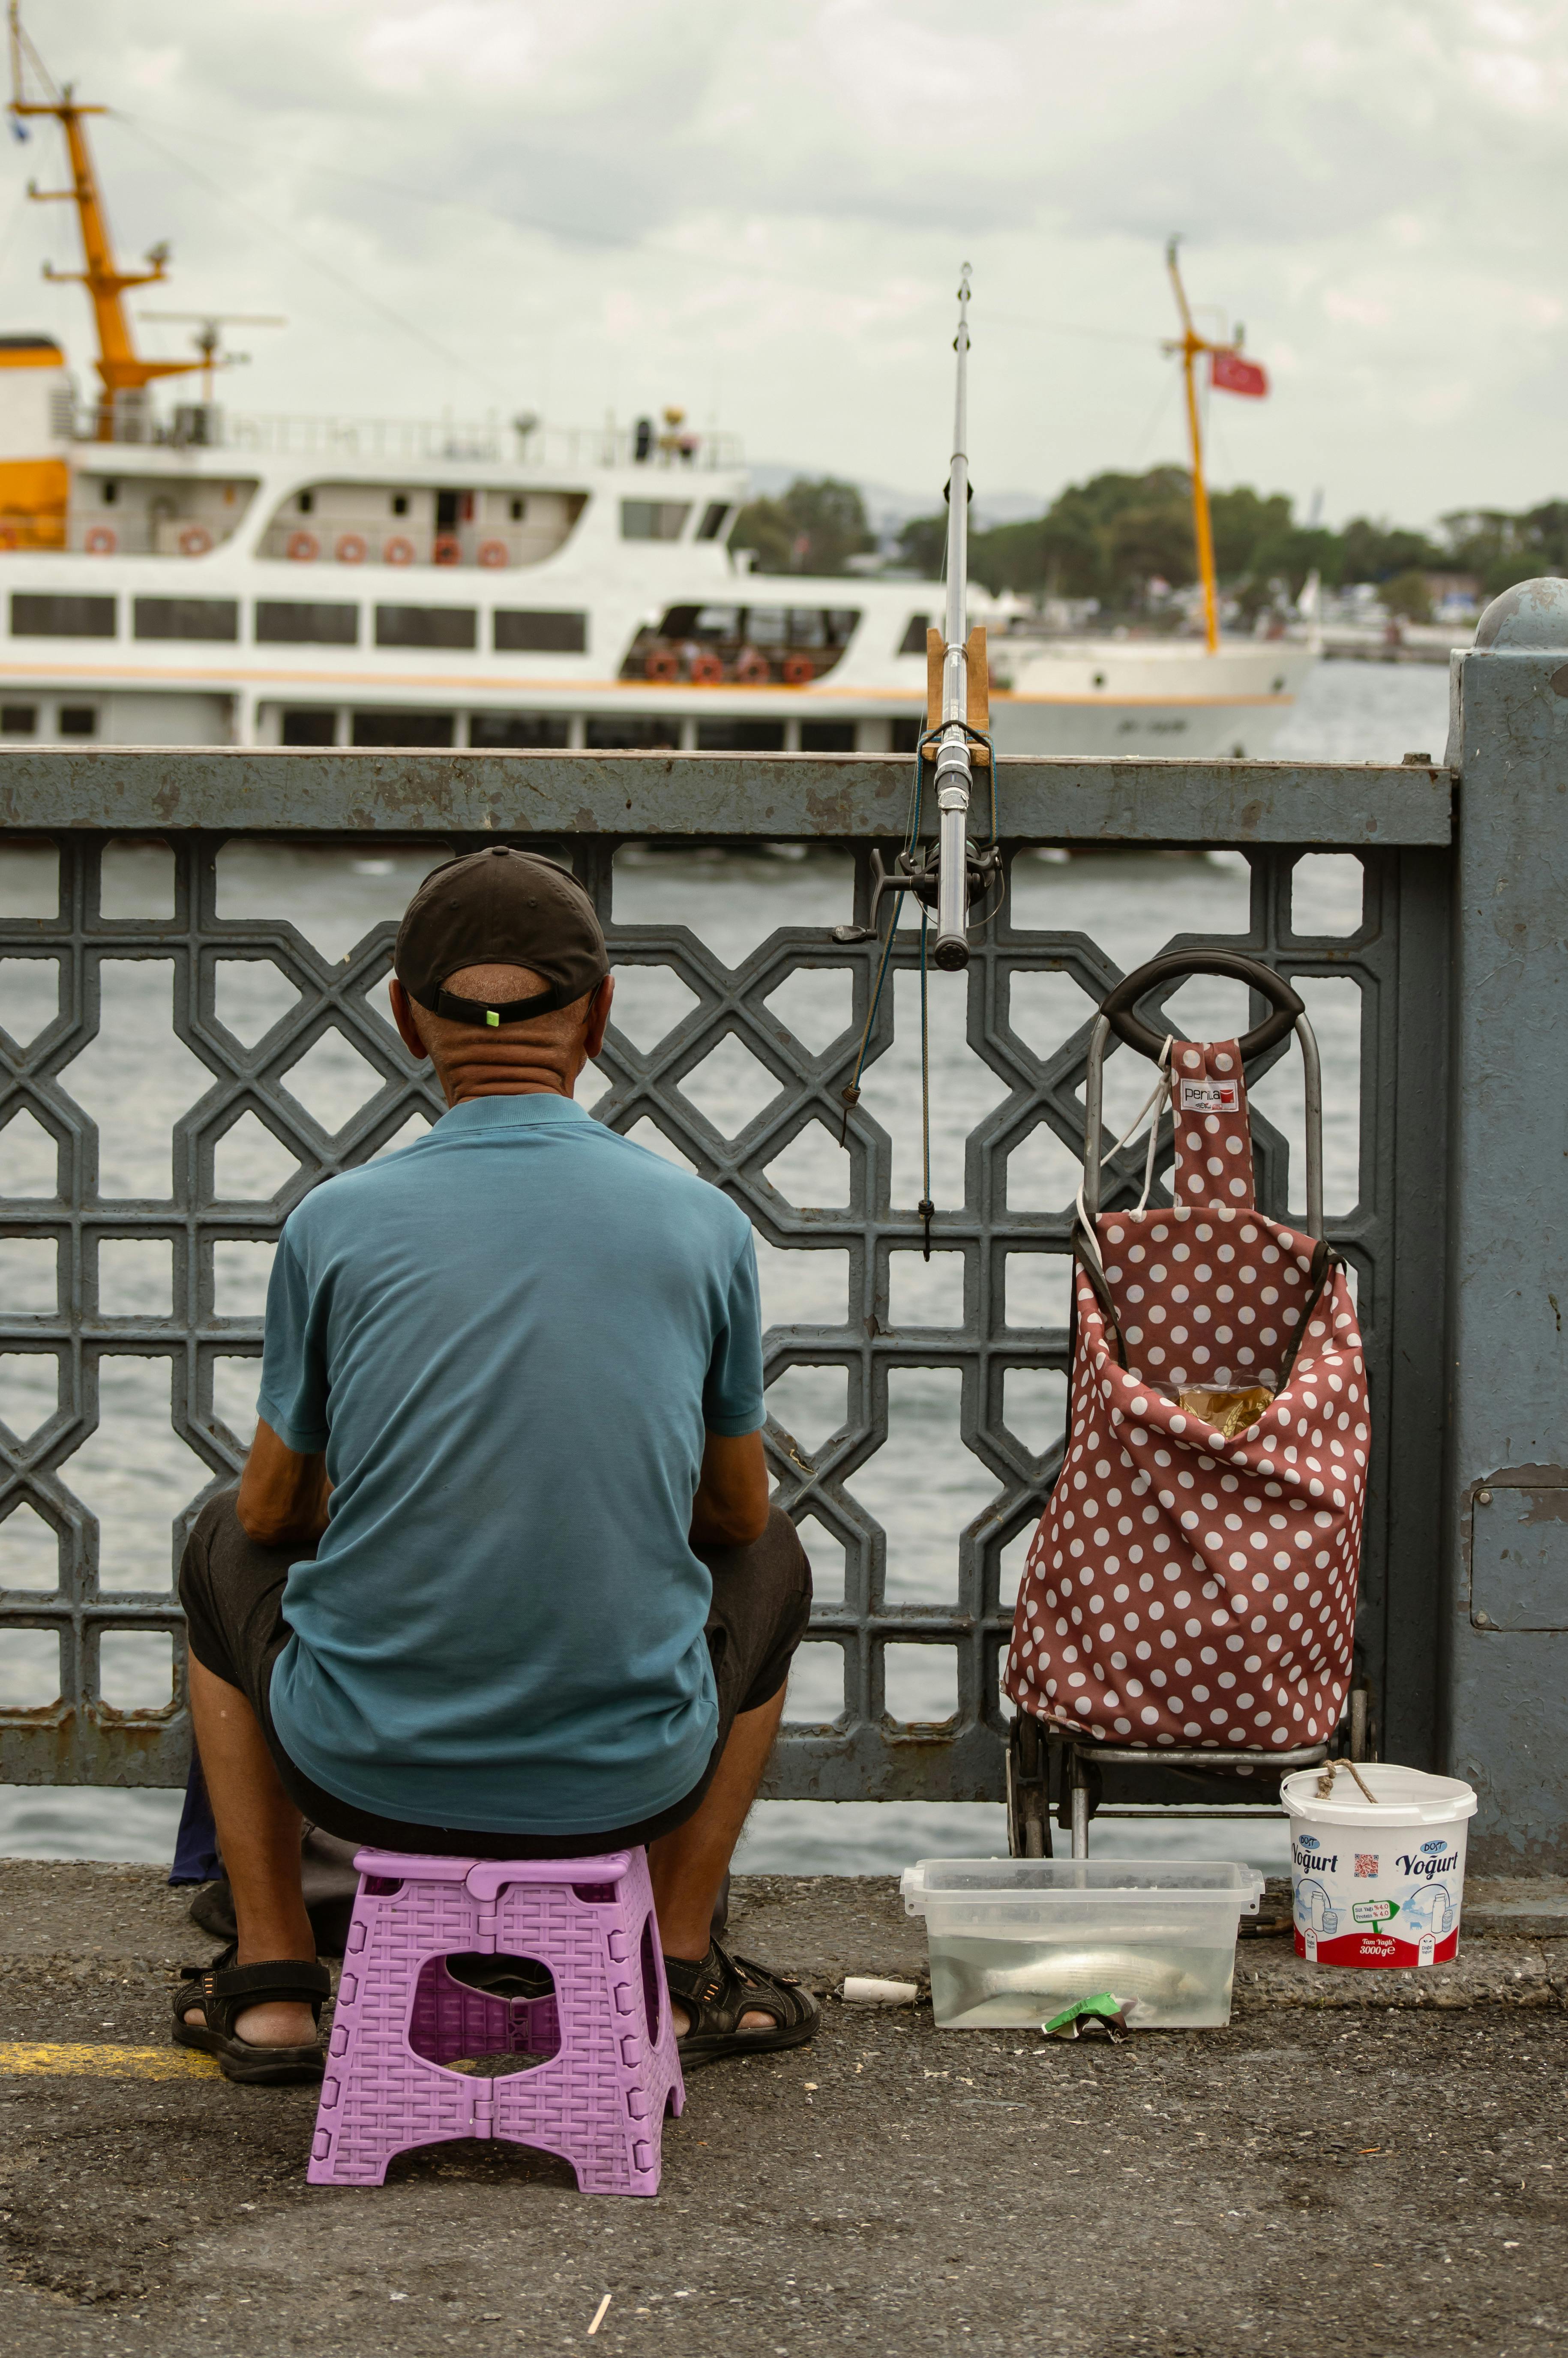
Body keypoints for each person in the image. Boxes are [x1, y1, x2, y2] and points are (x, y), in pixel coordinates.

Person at [173, 845, 817, 2085]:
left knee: (215, 1540)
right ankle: (672, 1975)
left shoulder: (334, 1221)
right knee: (777, 1558)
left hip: (356, 1772)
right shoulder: (700, 1223)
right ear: (602, 1017)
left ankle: (270, 1986)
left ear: (404, 1019)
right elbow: (735, 1517)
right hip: (635, 1778)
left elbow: (269, 1507)